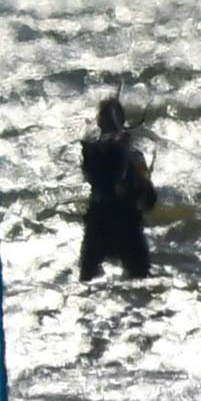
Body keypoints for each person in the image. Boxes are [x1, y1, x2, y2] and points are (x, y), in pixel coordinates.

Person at [78, 93, 156, 281]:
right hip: (120, 225)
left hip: (105, 224)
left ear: (99, 123)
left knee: (87, 279)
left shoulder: (94, 153)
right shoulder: (101, 152)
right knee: (141, 279)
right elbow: (148, 198)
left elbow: (147, 195)